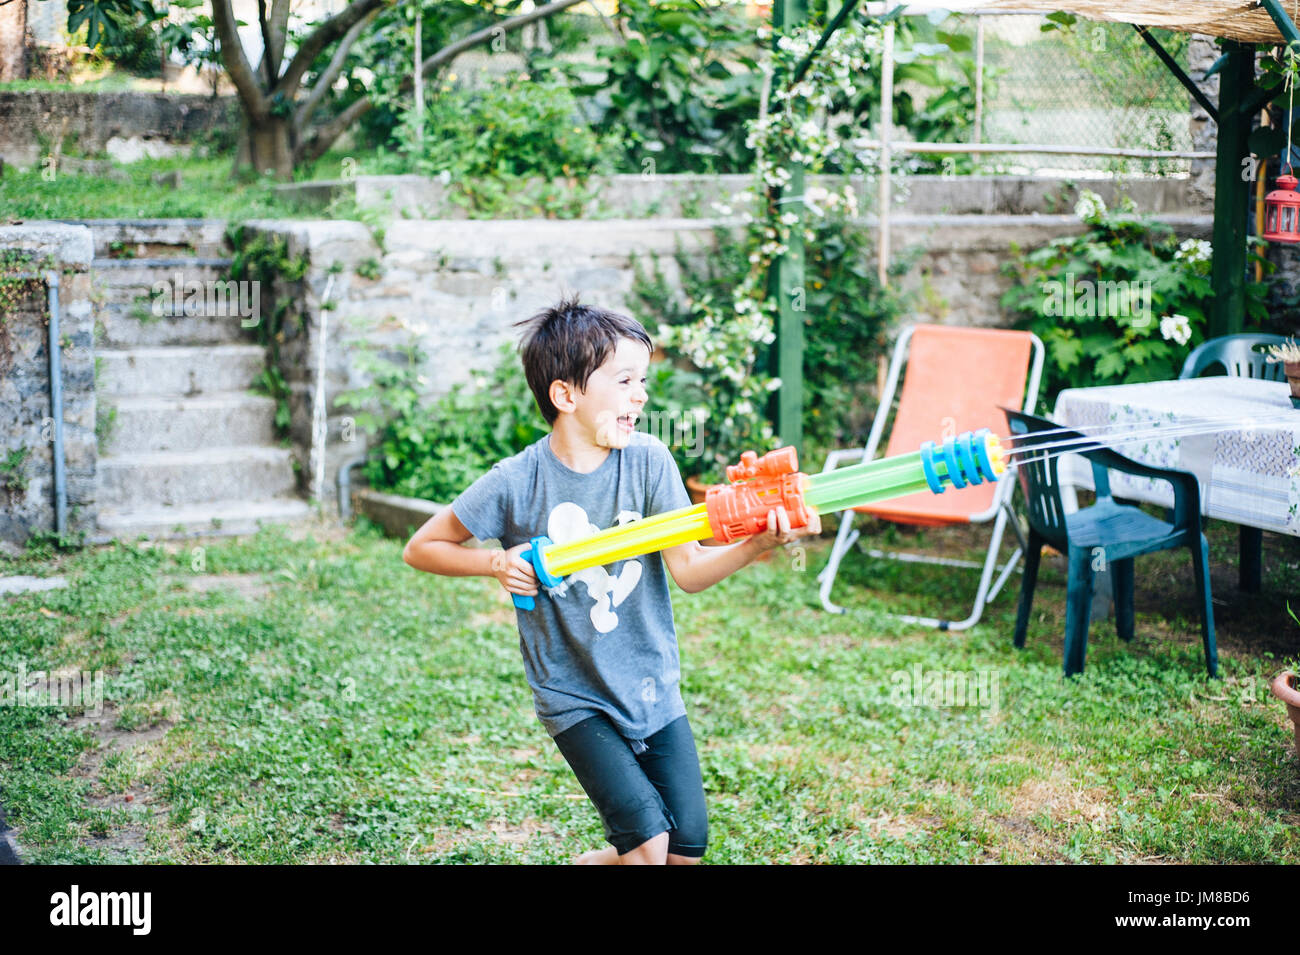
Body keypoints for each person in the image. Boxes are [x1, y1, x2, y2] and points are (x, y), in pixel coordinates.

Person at [401, 295, 821, 865]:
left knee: (684, 852)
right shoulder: (515, 481)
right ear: (566, 395)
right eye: (625, 380)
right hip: (573, 694)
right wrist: (496, 562)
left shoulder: (649, 462)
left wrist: (759, 543)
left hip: (651, 684)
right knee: (650, 849)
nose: (641, 395)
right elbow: (422, 547)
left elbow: (690, 572)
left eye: (642, 380)